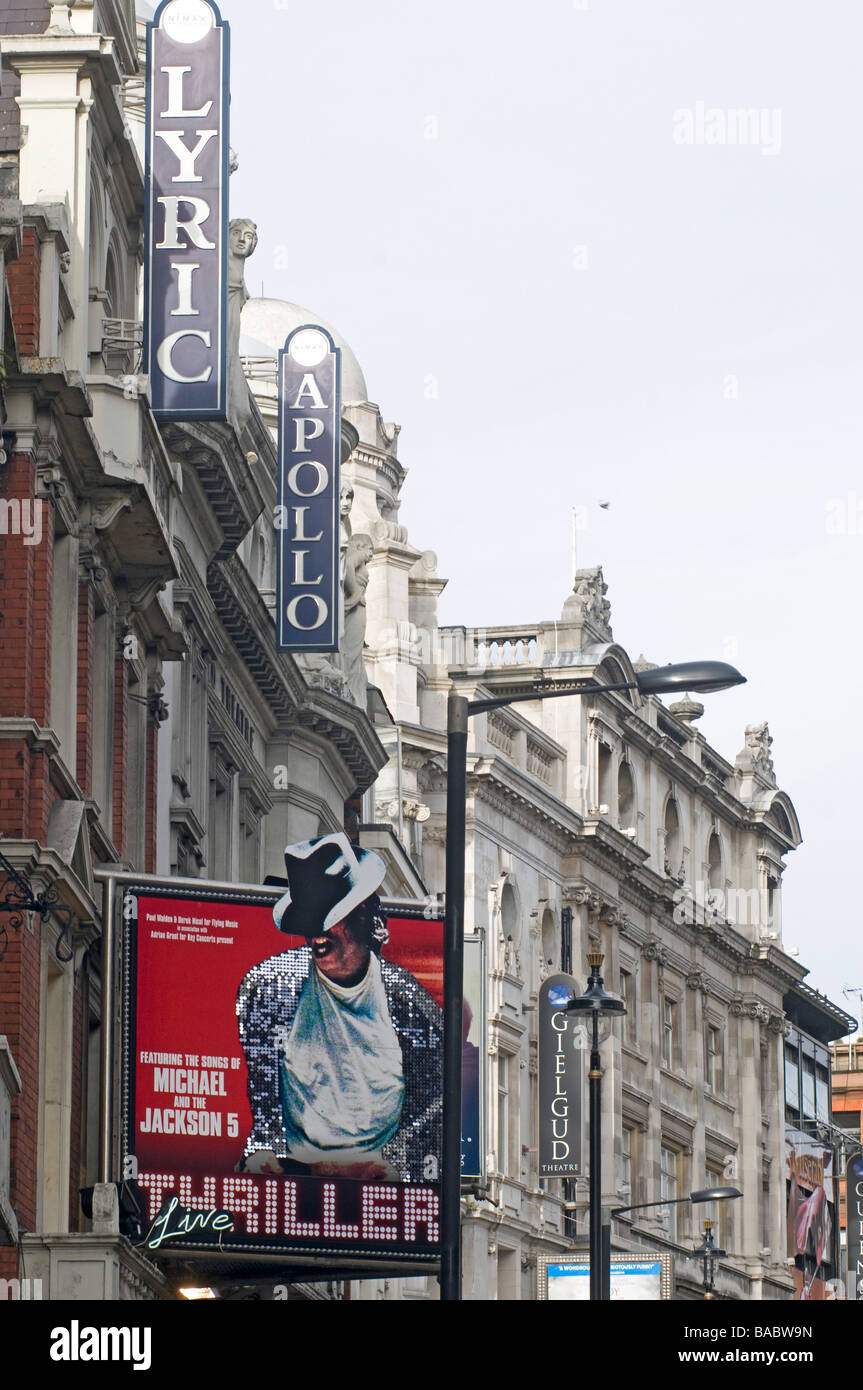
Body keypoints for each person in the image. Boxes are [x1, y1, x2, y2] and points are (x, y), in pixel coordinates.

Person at [236, 833, 442, 1182]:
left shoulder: (413, 1008)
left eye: (328, 917)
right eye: (308, 918)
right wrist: (264, 1152)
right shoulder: (266, 988)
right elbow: (262, 1094)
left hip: (377, 1186)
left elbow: (432, 1106)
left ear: (360, 913)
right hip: (291, 1181)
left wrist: (394, 1165)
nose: (315, 932)